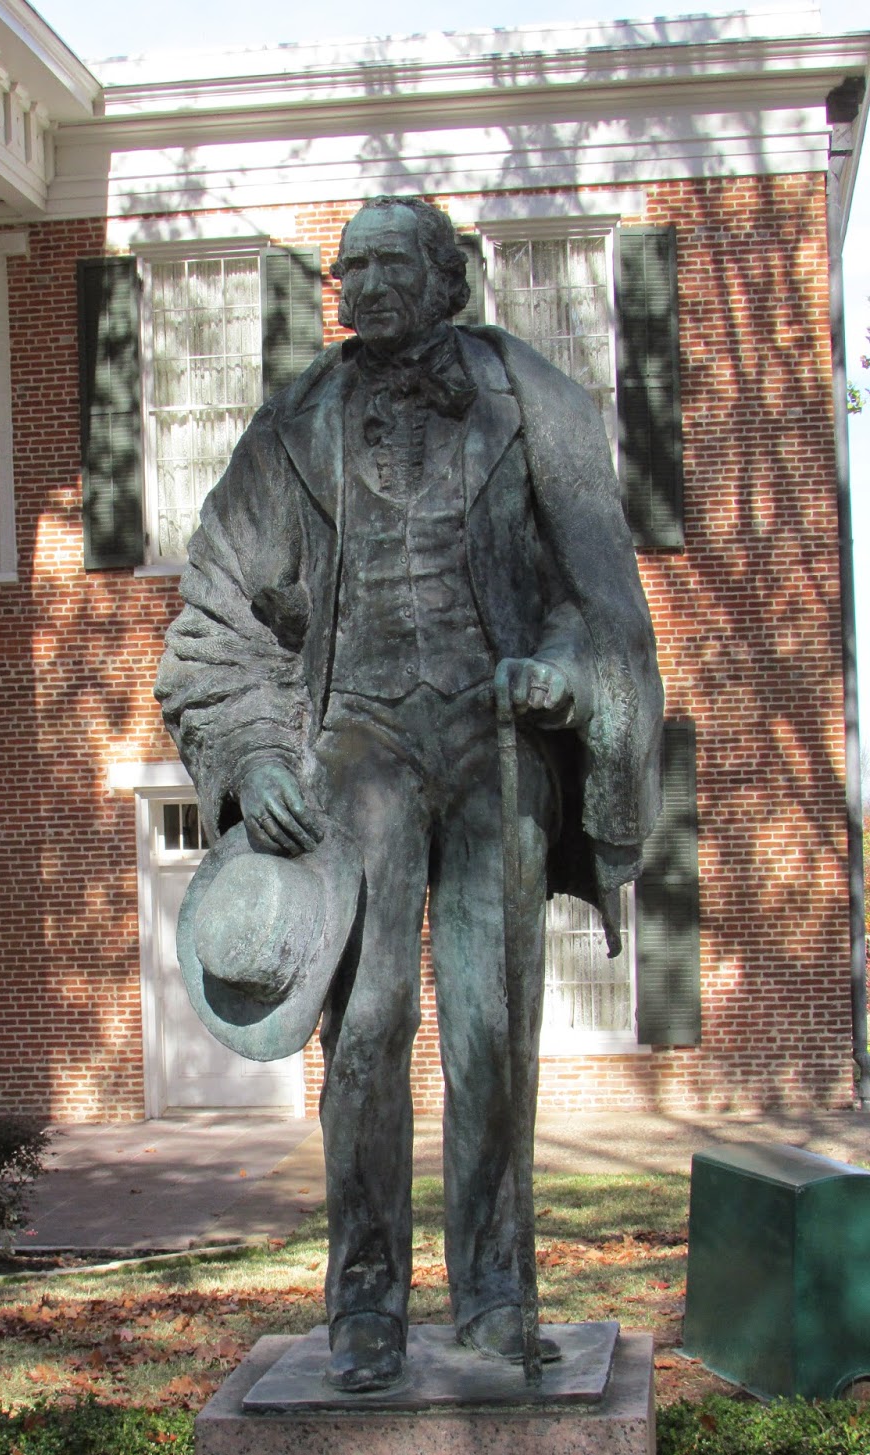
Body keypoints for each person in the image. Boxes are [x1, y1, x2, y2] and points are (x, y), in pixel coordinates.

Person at [156, 195, 663, 1392]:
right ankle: (367, 1306)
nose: (368, 283)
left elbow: (595, 600)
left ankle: (495, 1296)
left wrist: (564, 676)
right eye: (352, 265)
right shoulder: (293, 429)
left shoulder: (536, 405)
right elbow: (217, 621)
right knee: (368, 1031)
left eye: (394, 262)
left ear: (451, 282)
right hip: (359, 747)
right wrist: (260, 760)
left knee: (493, 1034)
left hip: (496, 740)